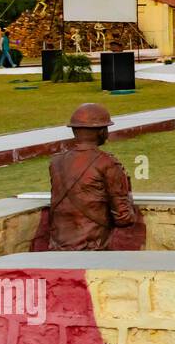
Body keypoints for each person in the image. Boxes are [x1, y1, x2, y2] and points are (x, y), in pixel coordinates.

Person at [46, 103, 138, 251]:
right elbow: (123, 218)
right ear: (101, 132)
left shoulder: (56, 162)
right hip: (93, 247)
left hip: (57, 247)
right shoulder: (107, 163)